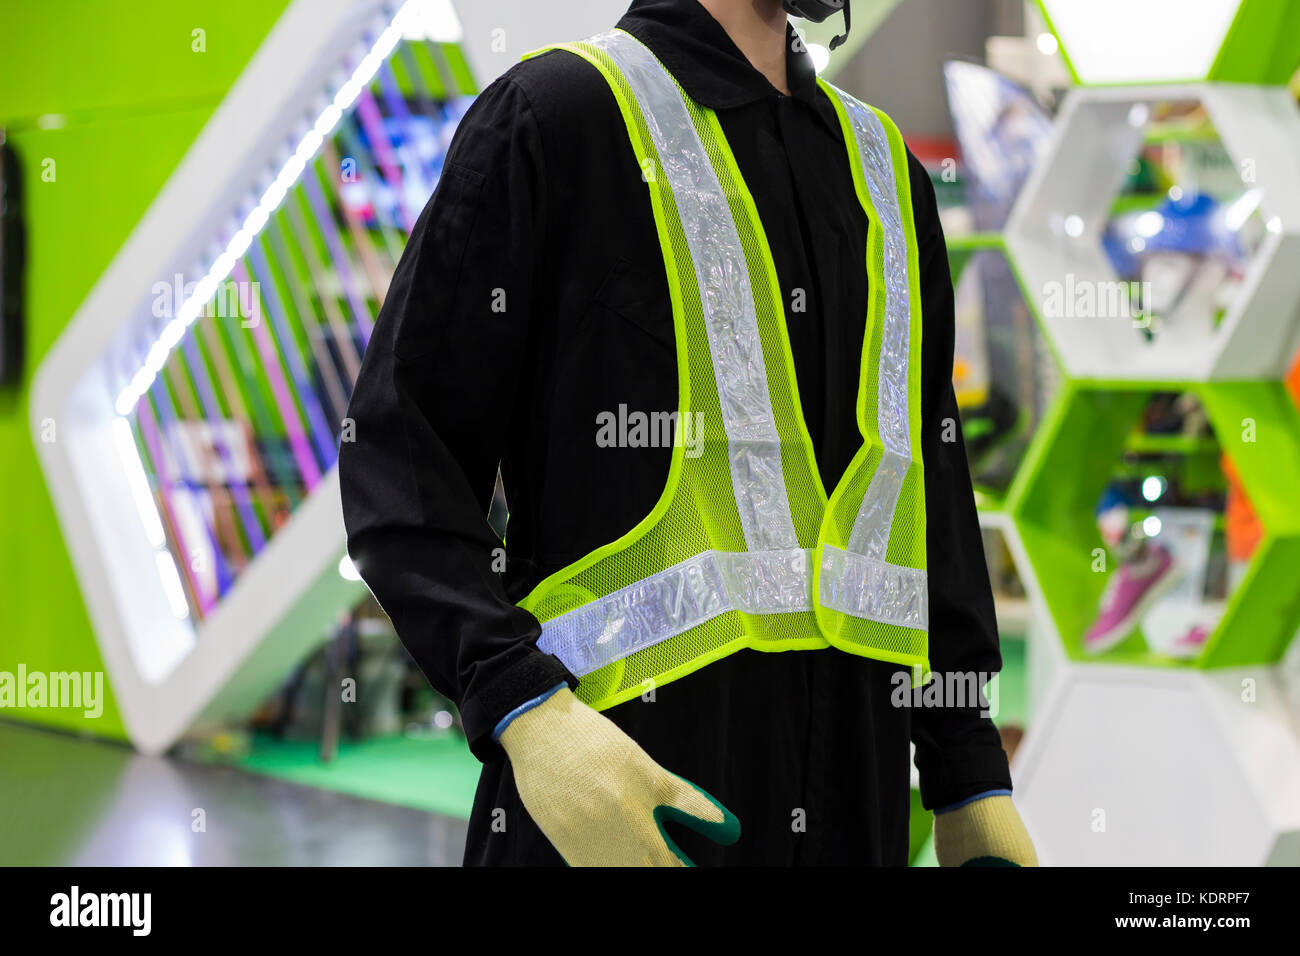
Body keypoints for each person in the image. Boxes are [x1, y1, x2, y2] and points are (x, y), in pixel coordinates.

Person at [339, 0, 1036, 867]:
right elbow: (400, 458)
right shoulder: (557, 119)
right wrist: (523, 706)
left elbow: (929, 488)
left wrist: (968, 769)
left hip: (853, 815)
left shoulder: (885, 174)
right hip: (613, 807)